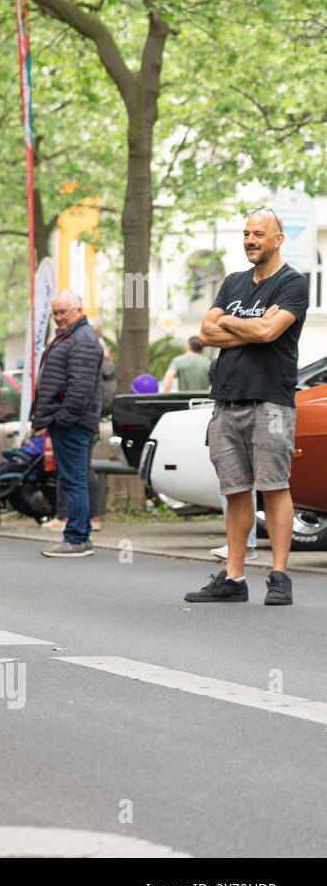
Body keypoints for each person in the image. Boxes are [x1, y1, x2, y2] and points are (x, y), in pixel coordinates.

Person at [186, 207, 308, 605]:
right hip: (226, 401)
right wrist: (252, 330)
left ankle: (279, 576)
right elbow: (205, 333)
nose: (251, 240)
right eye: (246, 233)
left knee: (274, 487)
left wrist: (234, 325)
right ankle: (234, 580)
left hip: (270, 402)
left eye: (259, 234)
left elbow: (271, 330)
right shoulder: (234, 281)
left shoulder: (292, 283)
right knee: (235, 491)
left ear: (278, 239)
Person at [32, 289, 104, 558]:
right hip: (70, 421)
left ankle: (75, 538)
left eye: (64, 312)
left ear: (79, 310)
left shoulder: (81, 339)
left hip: (71, 423)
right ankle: (80, 535)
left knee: (74, 480)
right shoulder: (73, 336)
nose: (59, 318)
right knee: (75, 478)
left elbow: (80, 389)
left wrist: (61, 419)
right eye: (55, 313)